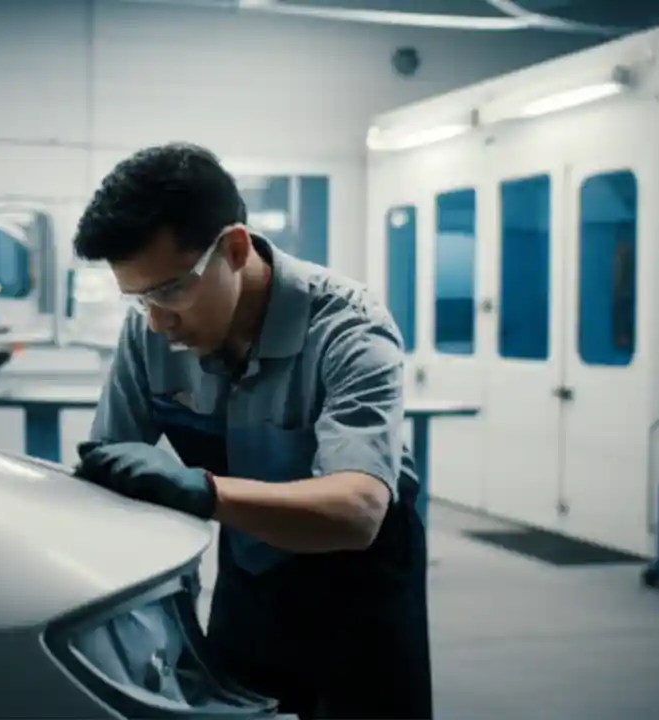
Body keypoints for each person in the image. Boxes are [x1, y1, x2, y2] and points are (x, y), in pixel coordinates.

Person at [71, 143, 431, 719]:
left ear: (234, 248)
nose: (158, 322)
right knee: (242, 706)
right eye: (138, 298)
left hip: (360, 575)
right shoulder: (150, 332)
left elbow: (359, 510)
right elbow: (109, 461)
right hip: (249, 560)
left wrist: (204, 490)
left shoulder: (350, 328)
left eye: (169, 291)